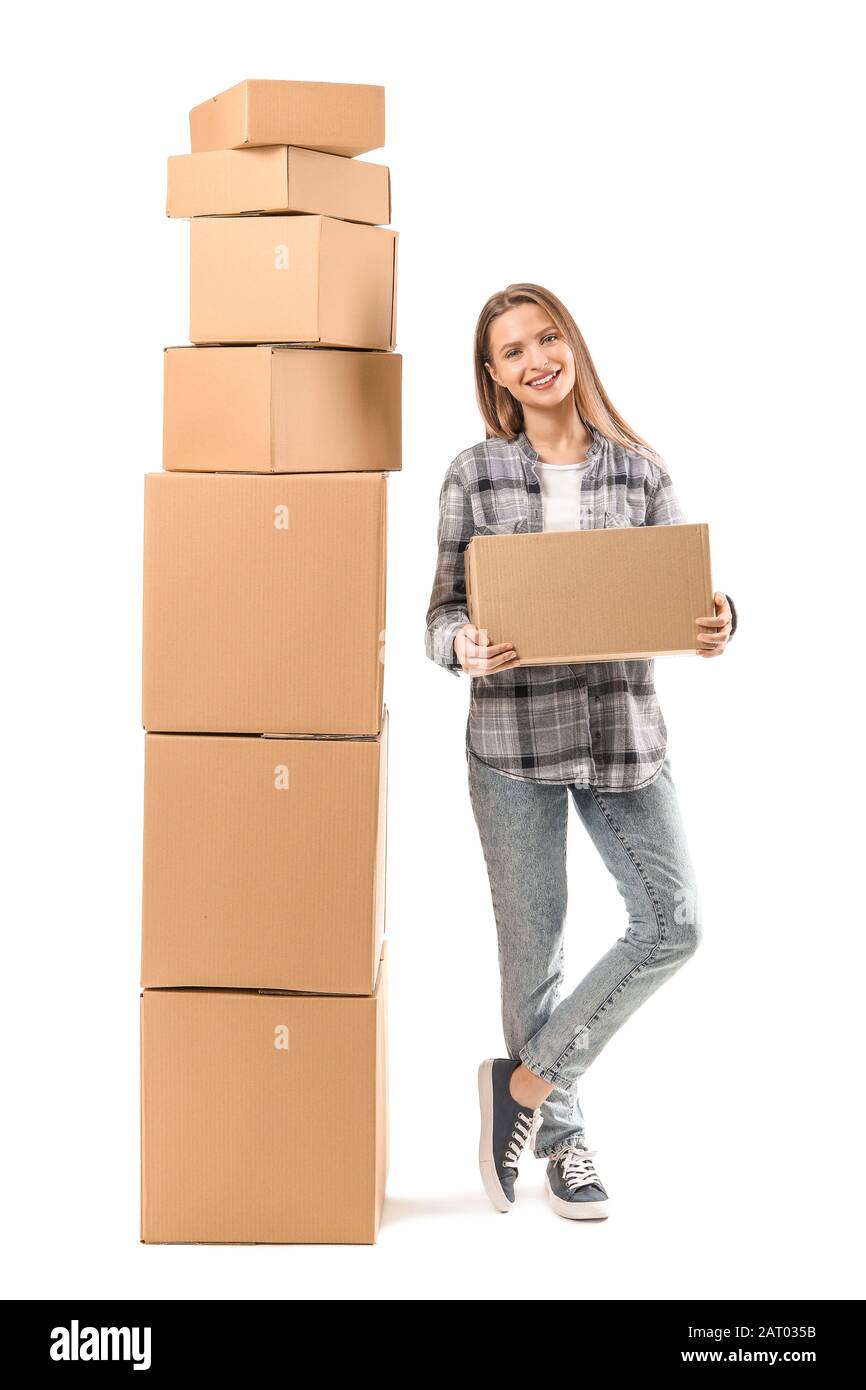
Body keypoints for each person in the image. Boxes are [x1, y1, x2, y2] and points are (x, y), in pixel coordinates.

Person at [424, 284, 737, 1222]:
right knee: (535, 959)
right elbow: (441, 614)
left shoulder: (639, 471)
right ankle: (562, 1140)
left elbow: (686, 596)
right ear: (496, 376)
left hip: (621, 736)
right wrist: (461, 646)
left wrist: (721, 619)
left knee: (671, 923)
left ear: (573, 345)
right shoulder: (474, 473)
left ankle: (519, 1088)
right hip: (513, 742)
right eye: (512, 350)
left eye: (546, 337)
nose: (535, 359)